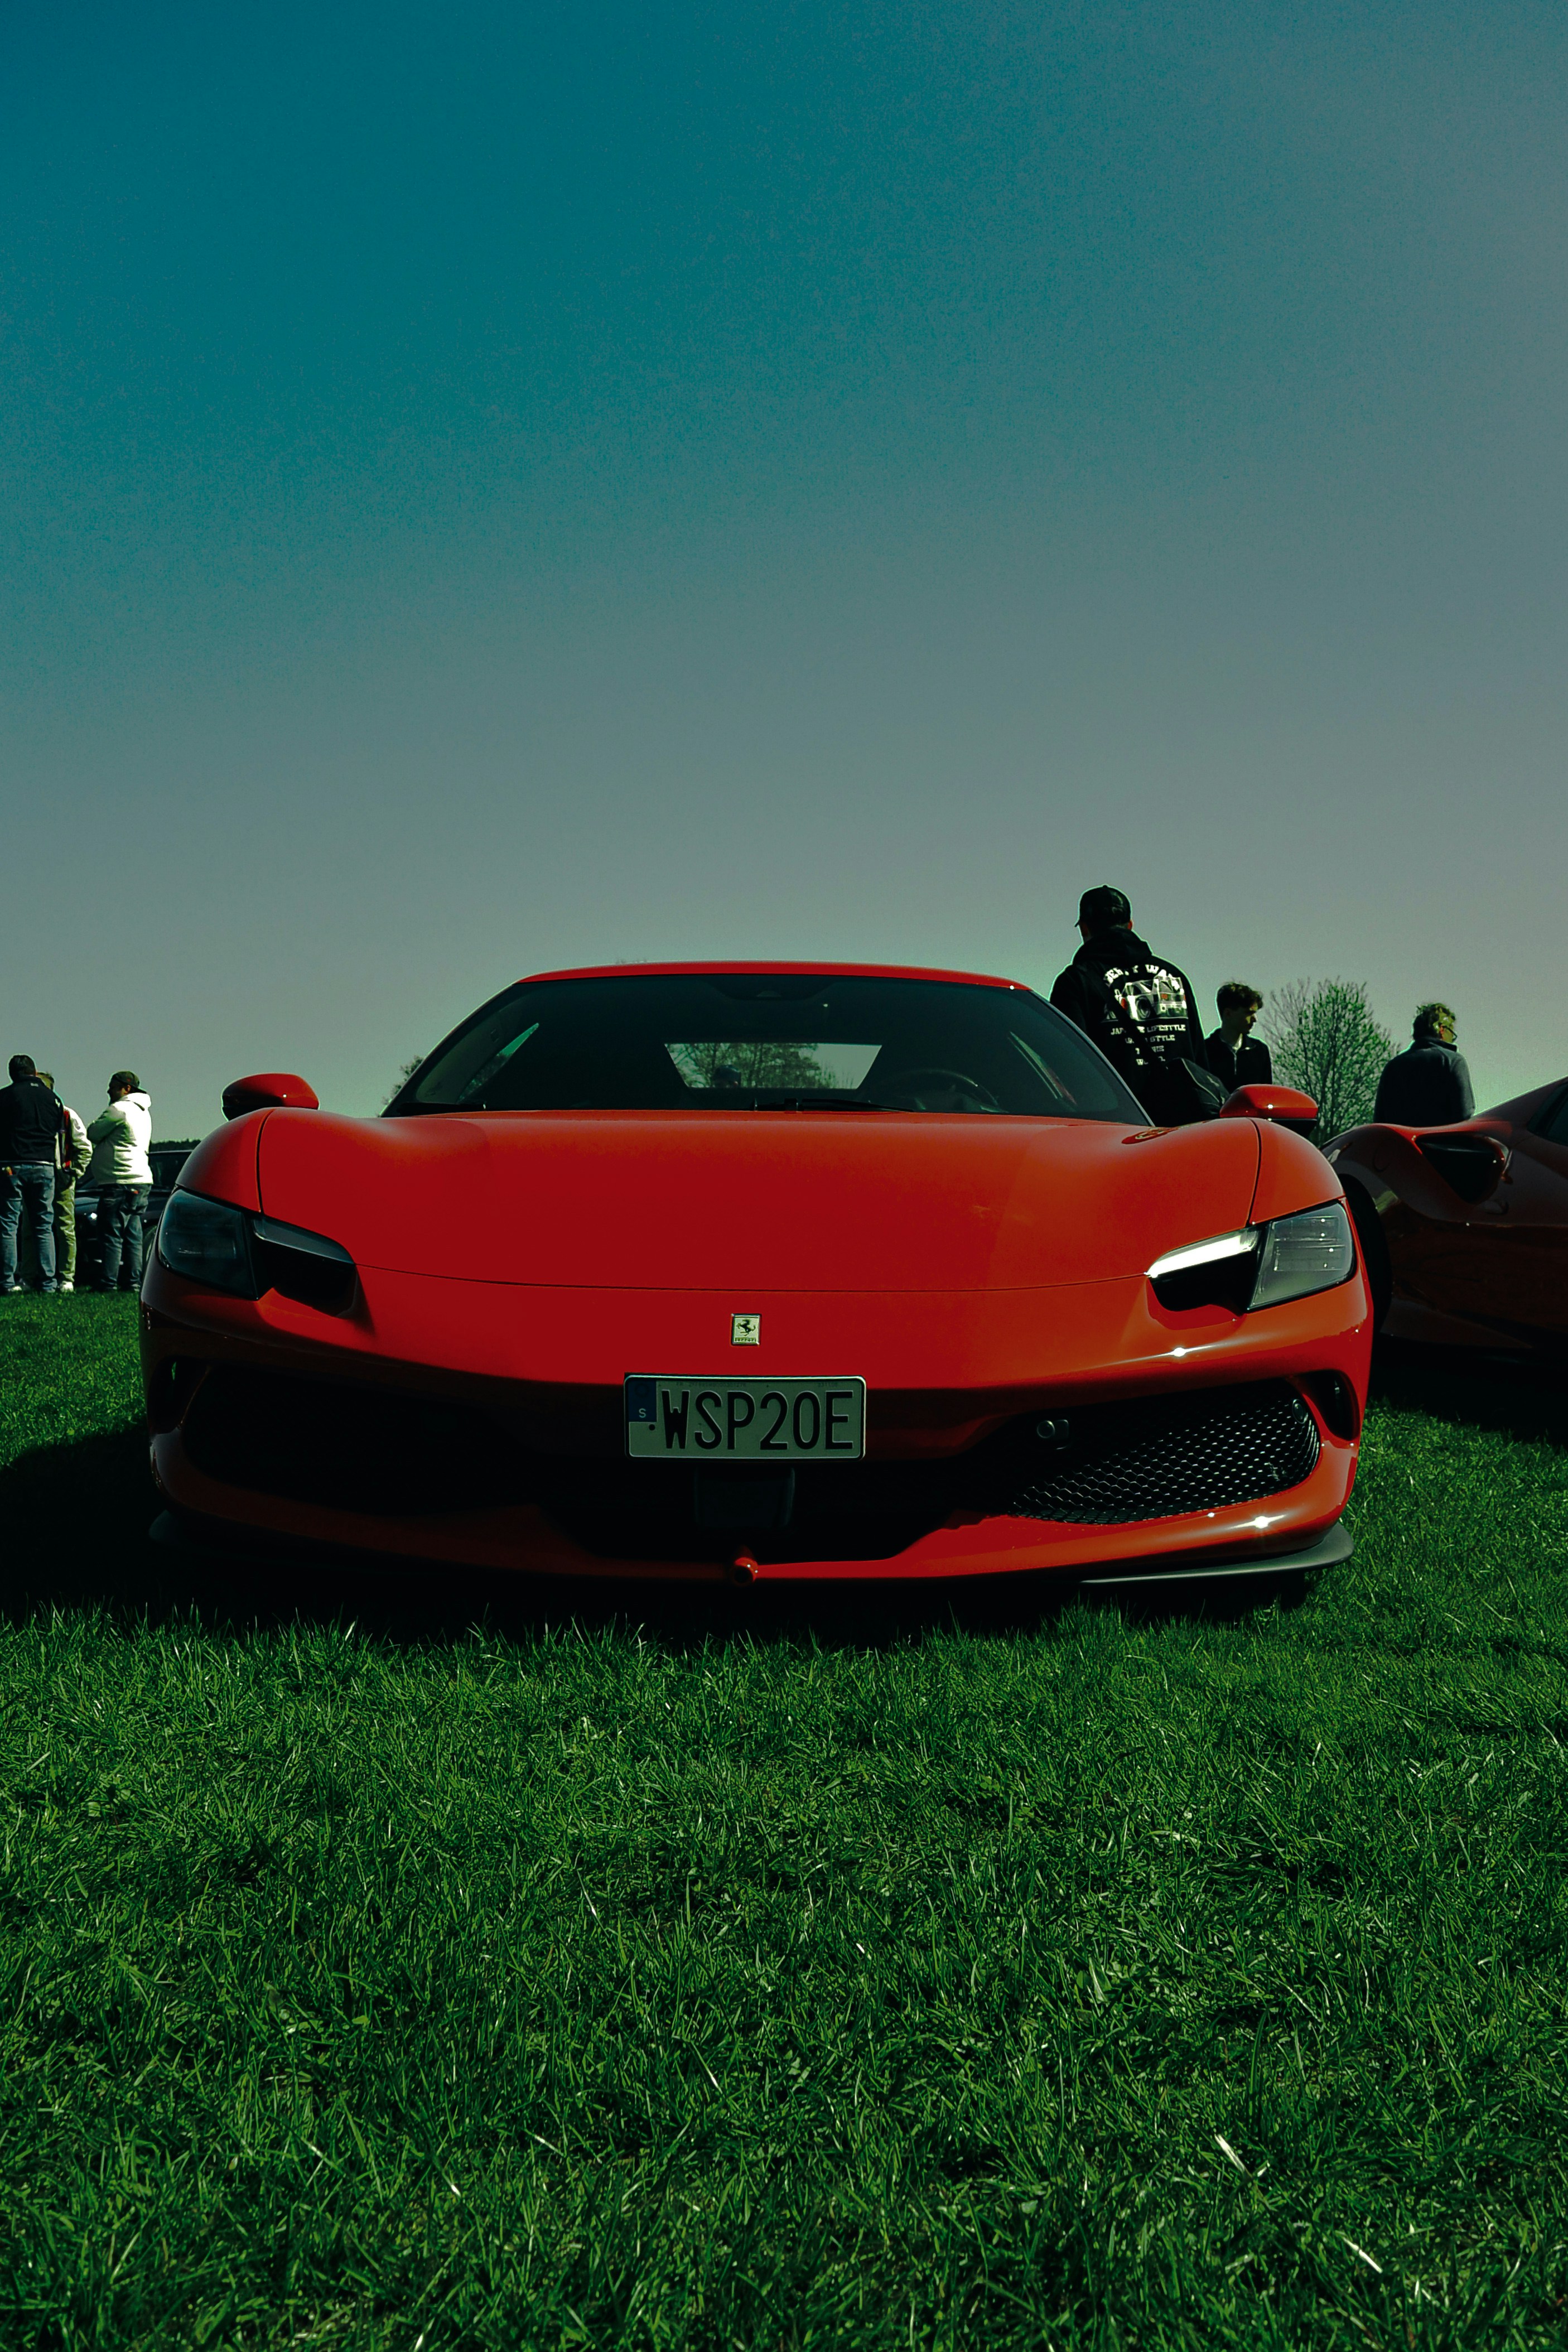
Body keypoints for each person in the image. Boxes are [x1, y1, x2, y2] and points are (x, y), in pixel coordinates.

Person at [1050, 885, 1218, 1124]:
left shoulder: (1075, 982)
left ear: (1085, 928)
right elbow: (1200, 1059)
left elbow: (1067, 1064)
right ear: (1130, 925)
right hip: (1183, 1126)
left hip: (1116, 1128)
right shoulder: (1174, 976)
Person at [15, 1072, 94, 1291]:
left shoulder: (66, 1115)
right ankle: (29, 1276)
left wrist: (73, 1172)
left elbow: (84, 1147)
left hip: (61, 1178)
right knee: (30, 1227)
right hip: (40, 1175)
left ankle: (66, 1277)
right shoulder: (33, 1115)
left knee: (64, 1228)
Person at [0, 1053, 67, 1296]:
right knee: (43, 1226)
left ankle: (7, 1282)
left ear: (12, 1074)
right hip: (44, 1164)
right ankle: (48, 1282)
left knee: (8, 1225)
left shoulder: (5, 1096)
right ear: (35, 1072)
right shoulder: (53, 1099)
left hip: (12, 1165)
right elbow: (59, 1130)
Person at [86, 1069, 154, 1291]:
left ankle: (108, 1282)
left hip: (120, 1179)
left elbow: (93, 1133)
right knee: (133, 1233)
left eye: (113, 1086)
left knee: (111, 1232)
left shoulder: (119, 1110)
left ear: (126, 1089)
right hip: (140, 1178)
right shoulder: (143, 1111)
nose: (109, 1090)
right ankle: (133, 1282)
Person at [1373, 1004, 1474, 1127]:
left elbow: (1380, 1120)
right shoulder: (1453, 1061)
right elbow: (1465, 1115)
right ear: (1442, 1030)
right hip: (1441, 1144)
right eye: (1452, 1033)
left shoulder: (1392, 1067)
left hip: (1400, 1145)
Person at [1205, 981, 1273, 1093]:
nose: (1255, 1019)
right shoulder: (1204, 1052)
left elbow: (1266, 1096)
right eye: (1248, 1013)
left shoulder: (1259, 1051)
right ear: (1228, 1014)